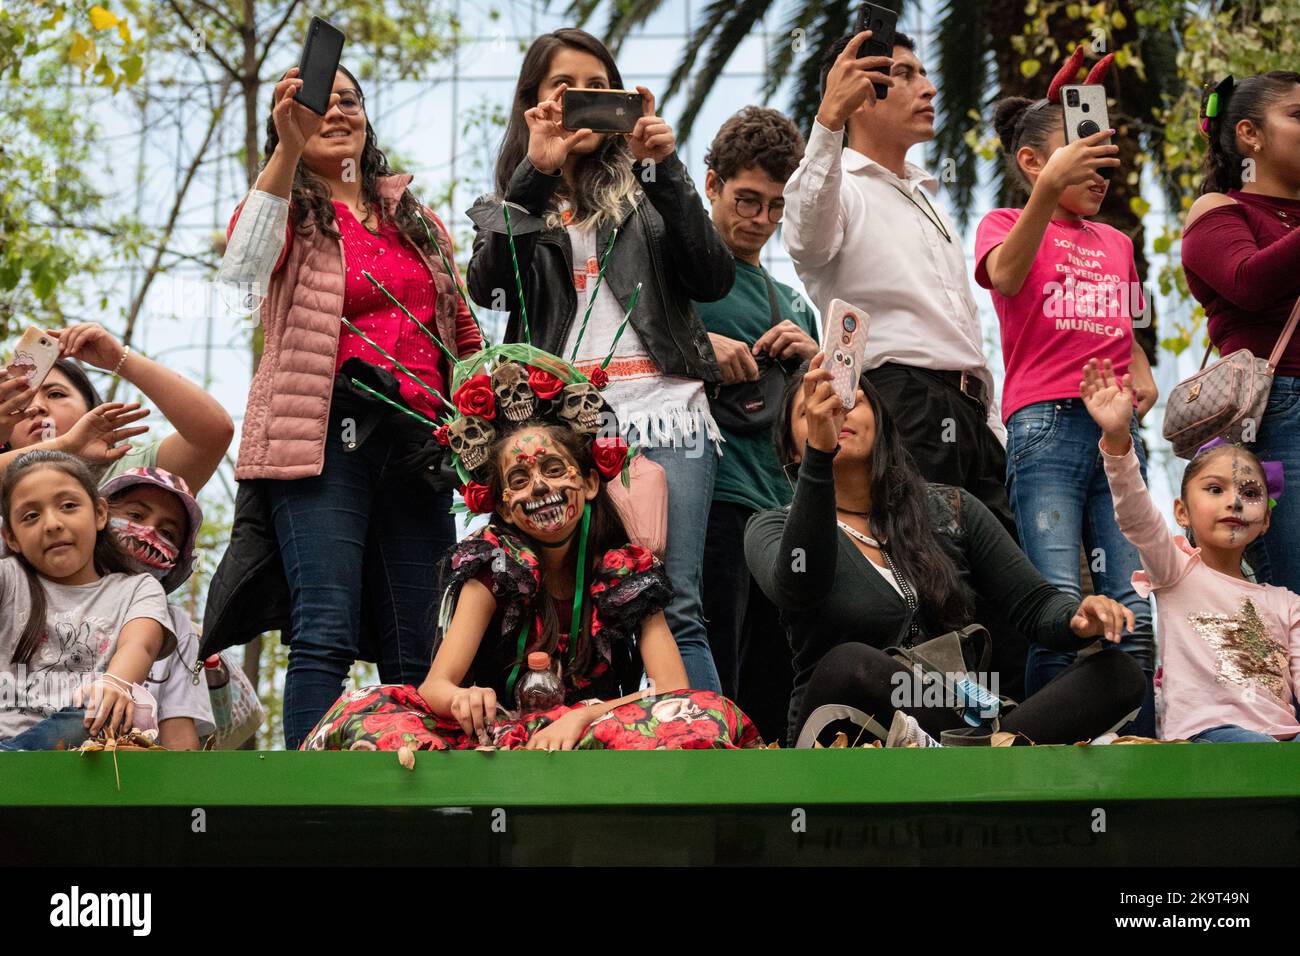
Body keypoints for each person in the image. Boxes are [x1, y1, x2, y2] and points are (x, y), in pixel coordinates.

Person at [202, 65, 481, 749]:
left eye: (348, 100)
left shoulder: (413, 216)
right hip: (326, 435)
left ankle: (421, 798)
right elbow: (240, 270)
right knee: (323, 625)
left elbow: (461, 329)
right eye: (312, 105)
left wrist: (481, 415)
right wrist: (284, 148)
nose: (335, 112)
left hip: (421, 447)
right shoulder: (289, 209)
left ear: (366, 116)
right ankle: (309, 795)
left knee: (421, 643)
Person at [301, 344, 760, 751]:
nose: (539, 487)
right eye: (519, 481)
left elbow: (673, 690)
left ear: (591, 481)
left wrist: (583, 717)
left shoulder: (625, 570)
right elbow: (436, 685)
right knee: (364, 707)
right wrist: (464, 698)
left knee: (705, 712)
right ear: (501, 504)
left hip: (594, 736)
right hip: (495, 735)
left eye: (554, 469)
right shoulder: (493, 564)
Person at [743, 354, 1146, 747]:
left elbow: (1037, 606)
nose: (838, 414)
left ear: (880, 423)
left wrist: (1078, 618)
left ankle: (975, 755)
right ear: (794, 450)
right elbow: (800, 585)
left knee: (1119, 674)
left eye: (853, 402)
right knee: (851, 663)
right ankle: (990, 757)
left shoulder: (952, 508)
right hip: (851, 724)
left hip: (954, 713)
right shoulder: (769, 525)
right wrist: (820, 454)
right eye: (813, 412)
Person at [978, 49, 1158, 733]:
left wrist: (1139, 361)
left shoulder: (1116, 242)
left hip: (1116, 435)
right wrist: (1048, 192)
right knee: (1057, 600)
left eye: (1105, 164)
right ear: (1033, 164)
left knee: (1131, 596)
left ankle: (1138, 743)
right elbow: (1007, 275)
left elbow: (1117, 314)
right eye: (1082, 158)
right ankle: (1039, 752)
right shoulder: (1005, 224)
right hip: (1046, 425)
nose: (1100, 174)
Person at [783, 29, 1015, 536]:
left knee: (998, 582)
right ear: (862, 93)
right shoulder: (836, 182)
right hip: (899, 402)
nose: (928, 88)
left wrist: (991, 422)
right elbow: (803, 238)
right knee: (933, 574)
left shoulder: (928, 197)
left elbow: (959, 325)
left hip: (970, 413)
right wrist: (828, 119)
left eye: (925, 73)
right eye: (905, 75)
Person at [1082, 358, 1299, 742]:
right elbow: (1137, 516)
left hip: (1282, 743)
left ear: (1266, 519)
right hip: (1207, 737)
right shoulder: (1176, 570)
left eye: (1250, 493)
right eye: (1215, 490)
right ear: (1181, 512)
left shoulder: (1288, 604)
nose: (1234, 502)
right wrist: (1117, 441)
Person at [696, 106, 819, 743]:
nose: (761, 221)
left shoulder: (793, 303)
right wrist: (698, 344)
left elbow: (840, 413)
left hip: (783, 515)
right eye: (747, 200)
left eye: (775, 207)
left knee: (777, 693)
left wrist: (815, 357)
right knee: (713, 683)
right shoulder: (678, 275)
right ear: (710, 184)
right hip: (711, 504)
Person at [1182, 71, 1300, 596]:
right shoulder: (1219, 210)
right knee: (1292, 586)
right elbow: (1247, 281)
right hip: (1278, 409)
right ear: (1250, 135)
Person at [0, 450, 173, 751]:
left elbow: (140, 644)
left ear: (99, 514)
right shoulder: (8, 579)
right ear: (11, 537)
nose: (52, 523)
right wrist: (66, 442)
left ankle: (16, 763)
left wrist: (116, 683)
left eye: (68, 506)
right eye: (31, 516)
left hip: (83, 738)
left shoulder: (137, 589)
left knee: (105, 711)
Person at [1, 322, 233, 492]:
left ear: (90, 407)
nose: (39, 407)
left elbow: (212, 432)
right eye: (21, 402)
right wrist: (65, 446)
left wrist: (118, 359)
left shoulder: (131, 476)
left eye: (56, 394)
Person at [102, 467, 214, 750]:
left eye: (167, 532)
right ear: (98, 516)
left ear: (177, 559)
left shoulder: (176, 628)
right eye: (136, 516)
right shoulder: (43, 593)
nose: (148, 532)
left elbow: (179, 735)